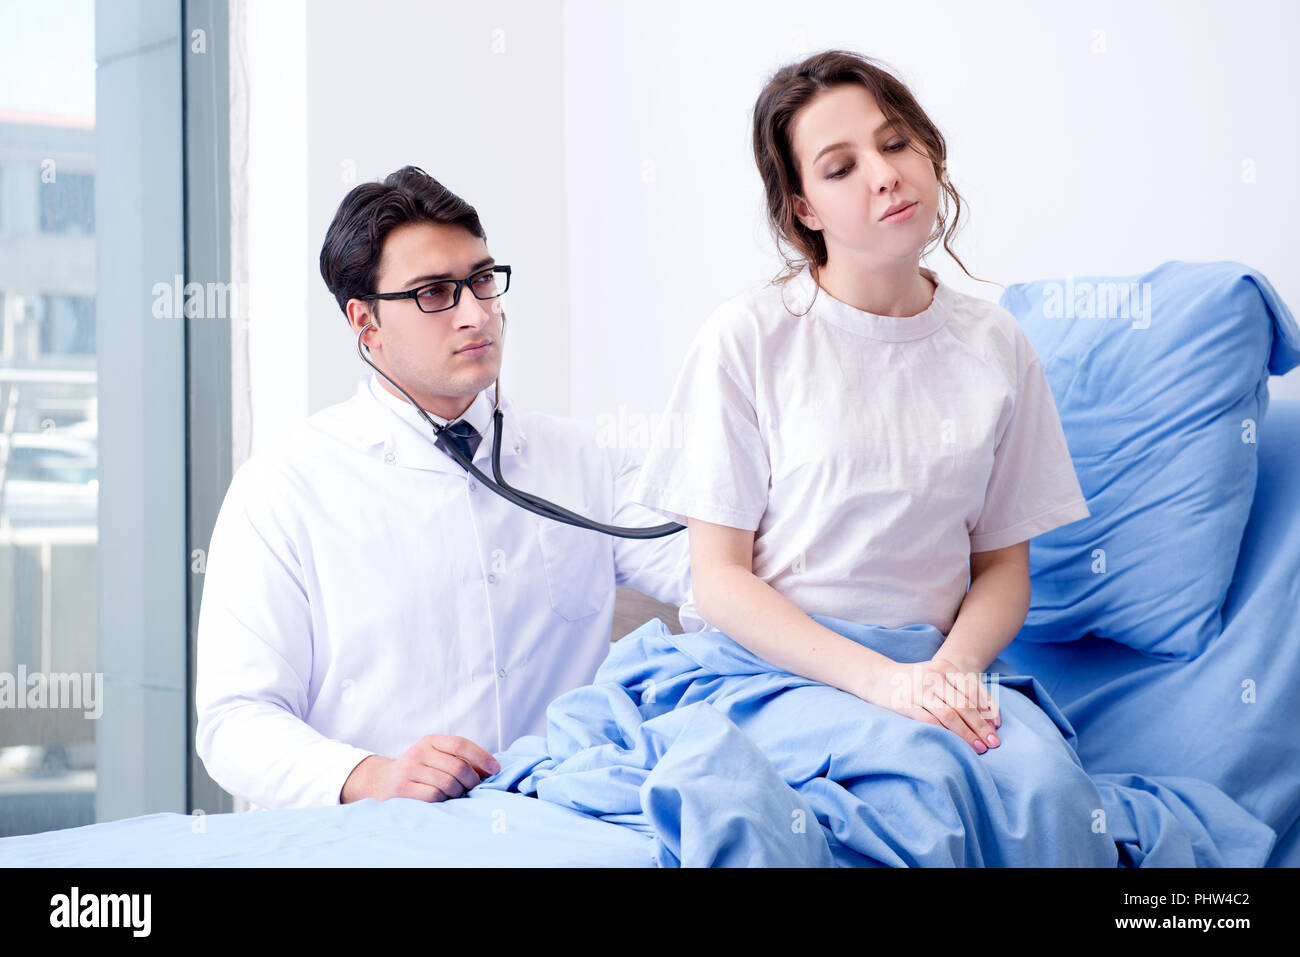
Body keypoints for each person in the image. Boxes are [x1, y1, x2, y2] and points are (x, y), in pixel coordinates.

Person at [632, 50, 1090, 757]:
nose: (886, 176)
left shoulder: (996, 344)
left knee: (1042, 791)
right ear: (804, 208)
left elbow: (1002, 568)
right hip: (781, 671)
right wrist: (883, 684)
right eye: (841, 167)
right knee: (890, 795)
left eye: (895, 141)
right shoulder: (747, 338)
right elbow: (719, 578)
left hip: (938, 669)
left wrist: (946, 672)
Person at [195, 166, 691, 810]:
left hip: (558, 833)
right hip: (377, 844)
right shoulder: (284, 489)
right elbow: (233, 720)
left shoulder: (584, 460)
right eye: (434, 292)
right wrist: (370, 776)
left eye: (481, 280)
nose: (476, 313)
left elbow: (712, 575)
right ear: (365, 323)